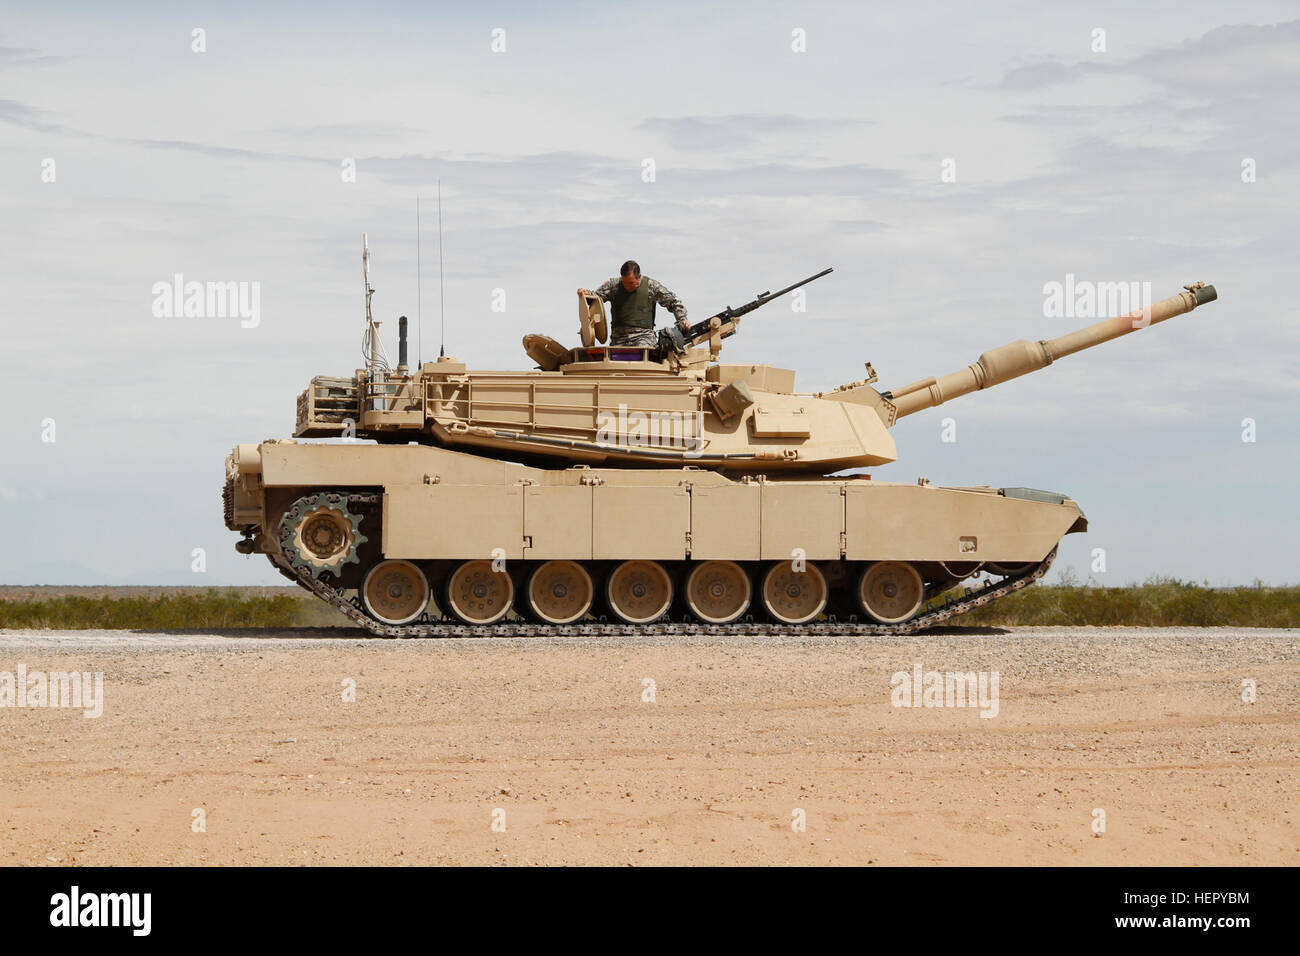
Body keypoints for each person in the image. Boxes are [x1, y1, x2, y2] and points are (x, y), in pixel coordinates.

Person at [579, 260, 689, 347]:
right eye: (624, 282)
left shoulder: (651, 286)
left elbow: (673, 301)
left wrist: (682, 319)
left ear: (639, 277)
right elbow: (595, 299)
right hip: (618, 339)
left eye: (631, 283)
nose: (627, 286)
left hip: (643, 337)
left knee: (643, 362)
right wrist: (585, 294)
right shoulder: (614, 286)